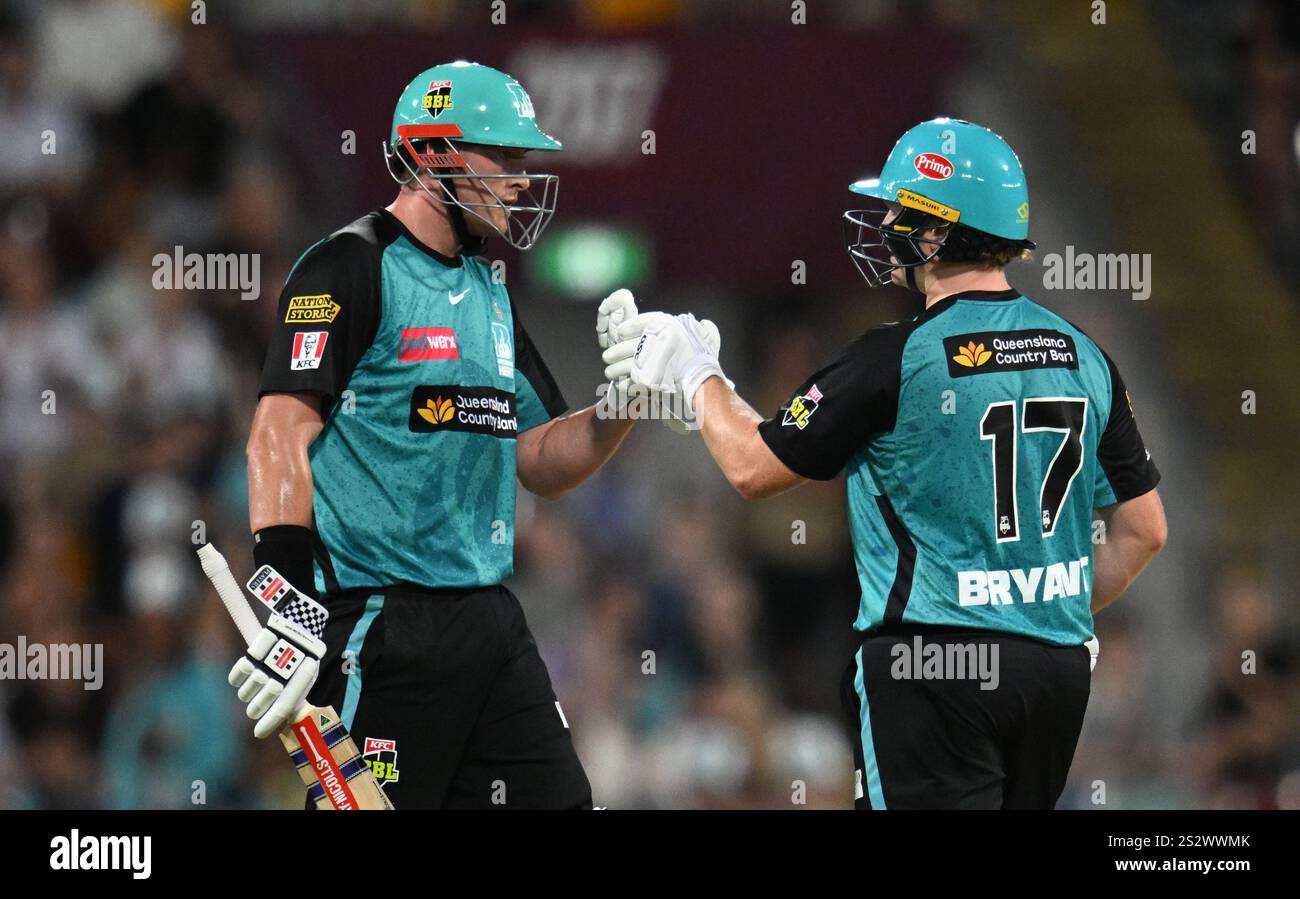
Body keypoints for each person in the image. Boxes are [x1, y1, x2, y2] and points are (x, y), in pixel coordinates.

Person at [607, 118, 1167, 809]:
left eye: (902, 209)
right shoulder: (1086, 353)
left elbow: (753, 467)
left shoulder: (894, 356)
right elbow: (1144, 530)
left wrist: (696, 373)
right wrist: (1042, 615)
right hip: (1054, 669)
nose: (887, 222)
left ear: (936, 231)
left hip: (931, 671)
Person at [230, 61, 640, 809]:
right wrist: (289, 619)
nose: (521, 179)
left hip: (487, 617)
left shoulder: (488, 290)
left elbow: (541, 457)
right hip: (381, 626)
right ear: (432, 156)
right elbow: (277, 435)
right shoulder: (344, 268)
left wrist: (625, 406)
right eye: (506, 157)